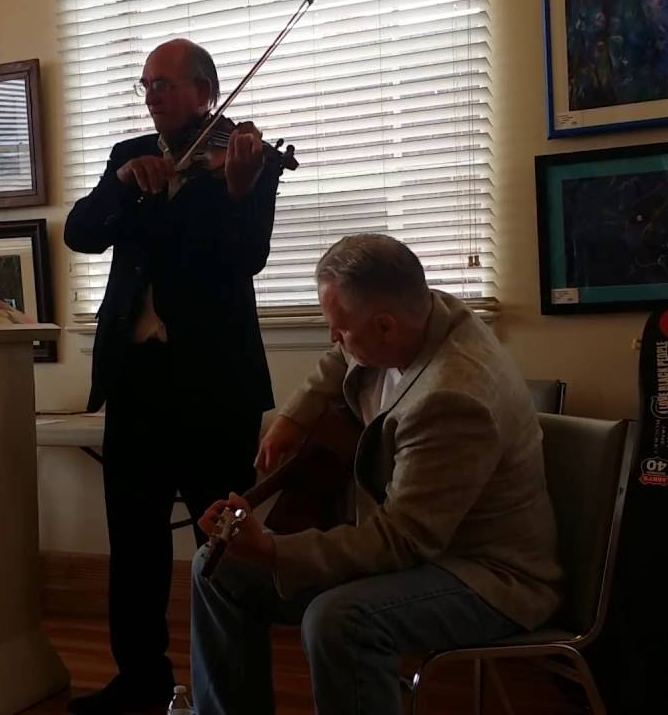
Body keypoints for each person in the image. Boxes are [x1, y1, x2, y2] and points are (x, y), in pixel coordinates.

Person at [190, 234, 565, 715]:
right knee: (217, 568)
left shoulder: (453, 398)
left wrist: (272, 550)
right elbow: (341, 357)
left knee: (339, 621)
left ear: (385, 326)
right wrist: (294, 416)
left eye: (339, 328)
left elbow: (403, 541)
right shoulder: (425, 314)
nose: (334, 338)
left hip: (486, 573)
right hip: (426, 544)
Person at [63, 38, 281, 714]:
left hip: (215, 389)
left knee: (223, 549)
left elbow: (245, 258)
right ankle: (141, 682)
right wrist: (124, 184)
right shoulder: (131, 156)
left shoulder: (244, 155)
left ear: (205, 90)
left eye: (165, 84)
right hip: (136, 383)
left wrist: (239, 193)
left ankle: (234, 693)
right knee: (133, 546)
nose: (153, 95)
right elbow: (80, 233)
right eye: (146, 85)